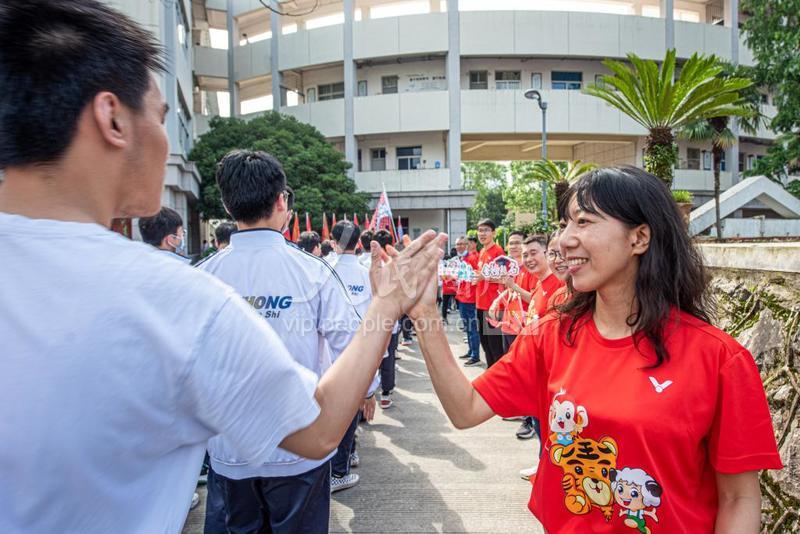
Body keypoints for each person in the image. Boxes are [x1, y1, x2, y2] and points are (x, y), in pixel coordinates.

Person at [0, 2, 447, 531]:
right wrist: (388, 305)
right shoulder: (172, 297)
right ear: (113, 117)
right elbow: (319, 425)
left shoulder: (202, 274)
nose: (164, 137)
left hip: (231, 460)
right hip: (291, 454)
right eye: (163, 117)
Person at [410, 166, 781, 532]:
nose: (565, 240)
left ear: (639, 238)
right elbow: (466, 408)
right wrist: (425, 313)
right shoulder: (549, 336)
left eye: (584, 222)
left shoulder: (719, 359)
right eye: (565, 224)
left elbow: (739, 499)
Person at [196, 150, 367, 530]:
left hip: (229, 448)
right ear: (281, 202)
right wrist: (366, 393)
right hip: (300, 443)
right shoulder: (313, 272)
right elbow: (351, 343)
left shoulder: (202, 276)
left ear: (227, 204)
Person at [328, 219, 378, 492]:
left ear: (333, 242)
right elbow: (377, 322)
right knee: (349, 411)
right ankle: (339, 470)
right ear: (358, 243)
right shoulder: (365, 274)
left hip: (325, 358)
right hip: (357, 356)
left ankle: (342, 459)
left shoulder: (320, 269)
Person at [473, 219, 505, 367]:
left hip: (493, 307)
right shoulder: (482, 252)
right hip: (480, 304)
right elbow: (482, 276)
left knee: (495, 346)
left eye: (486, 230)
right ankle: (490, 374)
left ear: (493, 232)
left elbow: (504, 277)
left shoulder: (498, 252)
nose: (482, 233)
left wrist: (484, 277)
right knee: (484, 343)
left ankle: (497, 379)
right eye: (480, 230)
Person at [454, 236, 480, 365]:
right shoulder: (462, 259)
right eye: (457, 244)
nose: (459, 246)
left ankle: (475, 355)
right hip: (462, 297)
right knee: (467, 327)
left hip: (469, 298)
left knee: (471, 327)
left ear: (467, 245)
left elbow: (477, 276)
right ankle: (471, 351)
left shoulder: (472, 258)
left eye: (461, 244)